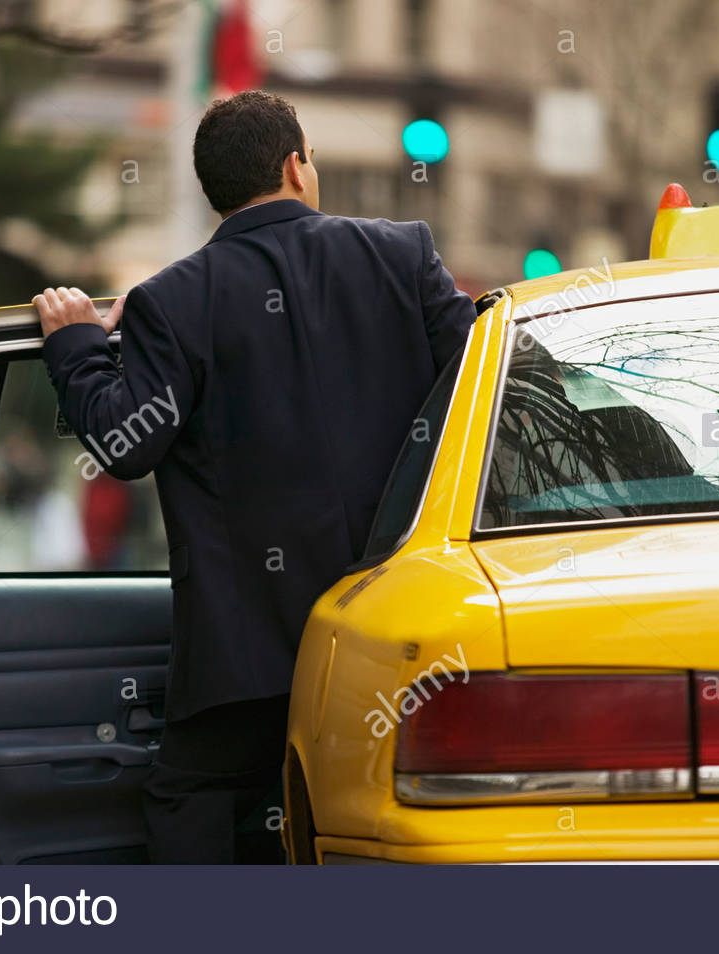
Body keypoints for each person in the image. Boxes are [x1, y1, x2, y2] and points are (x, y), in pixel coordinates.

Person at [33, 90, 475, 863]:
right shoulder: (402, 254)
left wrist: (76, 344)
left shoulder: (174, 301)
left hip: (245, 656)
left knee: (189, 796)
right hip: (397, 632)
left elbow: (125, 444)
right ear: (295, 166)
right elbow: (481, 387)